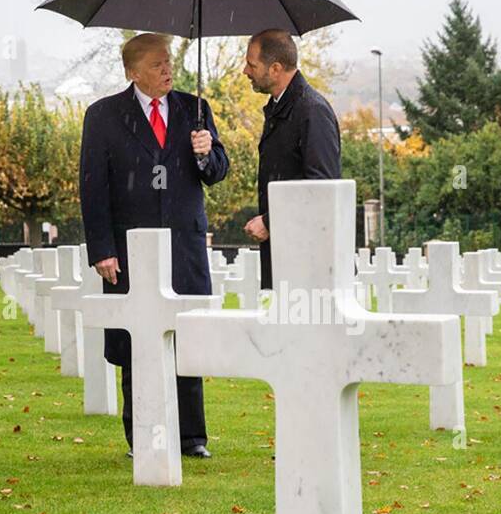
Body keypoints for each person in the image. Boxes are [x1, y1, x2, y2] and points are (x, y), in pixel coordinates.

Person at [78, 32, 228, 459]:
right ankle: (142, 436)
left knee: (186, 337)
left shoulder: (195, 109)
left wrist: (205, 152)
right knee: (138, 341)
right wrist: (102, 249)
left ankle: (191, 437)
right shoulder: (103, 116)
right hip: (131, 251)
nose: (167, 70)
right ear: (133, 72)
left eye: (168, 62)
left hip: (184, 246)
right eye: (157, 64)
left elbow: (217, 172)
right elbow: (92, 185)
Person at [242, 29, 342, 290]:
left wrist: (269, 222)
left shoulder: (312, 111)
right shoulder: (280, 107)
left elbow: (322, 187)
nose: (245, 71)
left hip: (310, 261)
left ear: (275, 69)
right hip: (288, 254)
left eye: (252, 65)